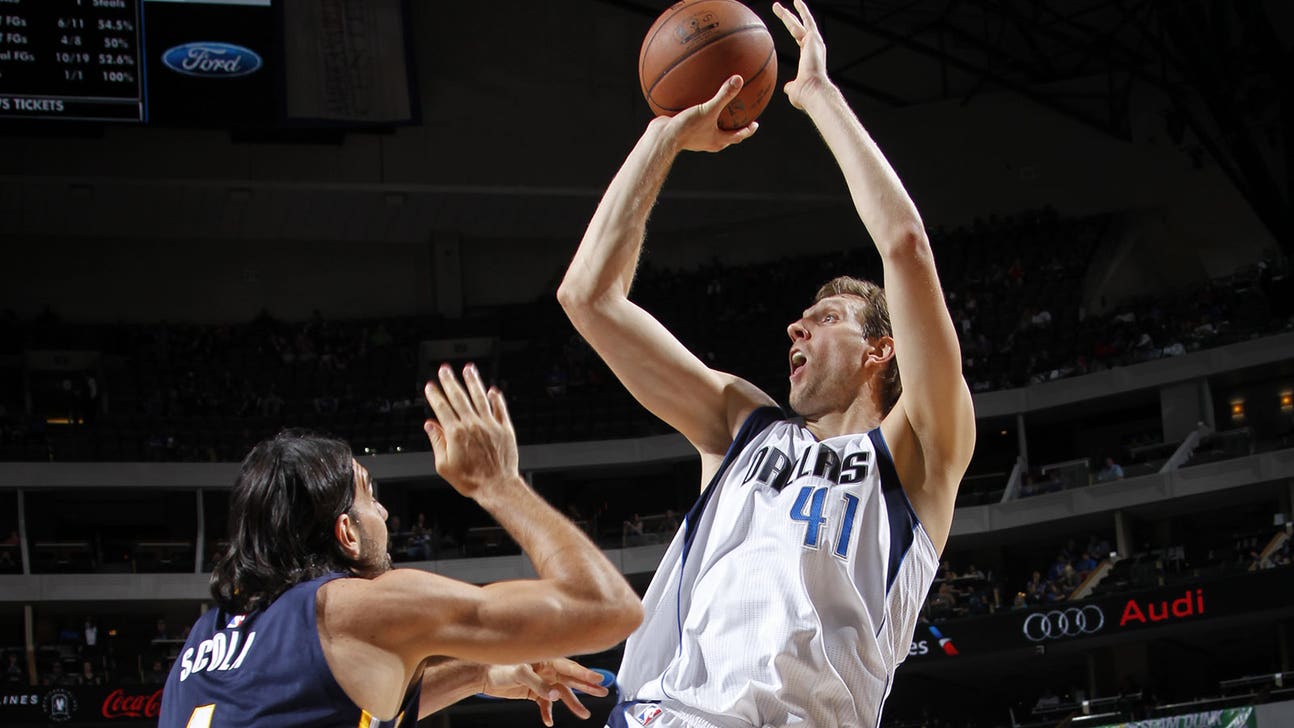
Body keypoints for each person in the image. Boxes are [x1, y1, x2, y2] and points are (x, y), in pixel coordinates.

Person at [557, 2, 975, 725]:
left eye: (827, 318)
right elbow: (588, 296)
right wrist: (663, 140)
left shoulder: (918, 452)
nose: (798, 325)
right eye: (803, 316)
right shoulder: (741, 429)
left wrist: (818, 95)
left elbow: (904, 243)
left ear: (881, 350)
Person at [159, 364, 642, 728]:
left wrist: (477, 673)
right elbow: (606, 608)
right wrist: (499, 484)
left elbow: (336, 707)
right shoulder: (349, 609)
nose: (385, 514)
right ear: (346, 533)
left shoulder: (203, 638)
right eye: (371, 495)